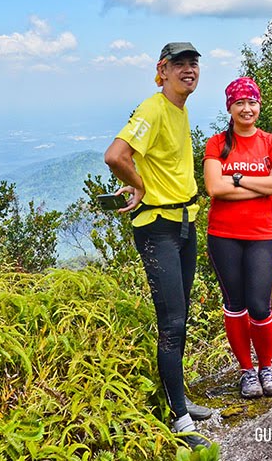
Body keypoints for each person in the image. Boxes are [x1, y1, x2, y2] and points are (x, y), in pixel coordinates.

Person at [103, 42, 211, 448]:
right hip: (158, 227)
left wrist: (140, 177)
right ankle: (180, 420)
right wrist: (138, 184)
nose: (188, 70)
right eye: (179, 64)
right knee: (172, 322)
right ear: (161, 70)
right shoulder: (153, 108)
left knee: (180, 319)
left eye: (193, 63)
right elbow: (115, 155)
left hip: (184, 223)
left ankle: (178, 399)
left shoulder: (179, 109)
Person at [204, 77, 272, 398]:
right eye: (239, 102)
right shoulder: (216, 143)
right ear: (230, 107)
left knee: (259, 304)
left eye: (251, 102)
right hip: (223, 235)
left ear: (259, 105)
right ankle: (246, 371)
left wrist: (237, 179)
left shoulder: (271, 143)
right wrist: (260, 182)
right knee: (235, 304)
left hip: (261, 234)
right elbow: (215, 188)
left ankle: (266, 367)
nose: (246, 108)